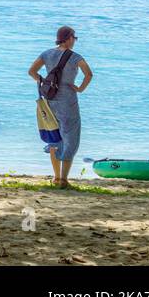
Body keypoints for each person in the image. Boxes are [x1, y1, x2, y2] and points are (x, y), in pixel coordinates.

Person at [28, 25, 92, 189]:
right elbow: (89, 74)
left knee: (54, 138)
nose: (74, 41)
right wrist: (80, 89)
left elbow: (32, 71)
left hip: (50, 102)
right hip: (68, 103)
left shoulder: (47, 54)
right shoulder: (75, 57)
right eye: (74, 38)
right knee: (70, 139)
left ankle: (56, 177)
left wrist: (43, 82)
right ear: (69, 38)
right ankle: (63, 180)